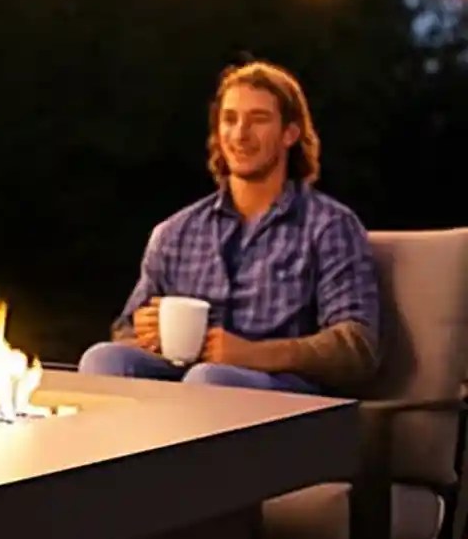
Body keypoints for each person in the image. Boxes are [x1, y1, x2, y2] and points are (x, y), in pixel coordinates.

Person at [78, 60, 380, 395]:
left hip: (285, 398)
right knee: (104, 360)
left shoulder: (329, 227)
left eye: (259, 119)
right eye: (230, 119)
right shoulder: (175, 233)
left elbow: (357, 349)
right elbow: (124, 330)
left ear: (290, 134)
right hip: (189, 383)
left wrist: (252, 355)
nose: (240, 134)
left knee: (210, 379)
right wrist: (147, 331)